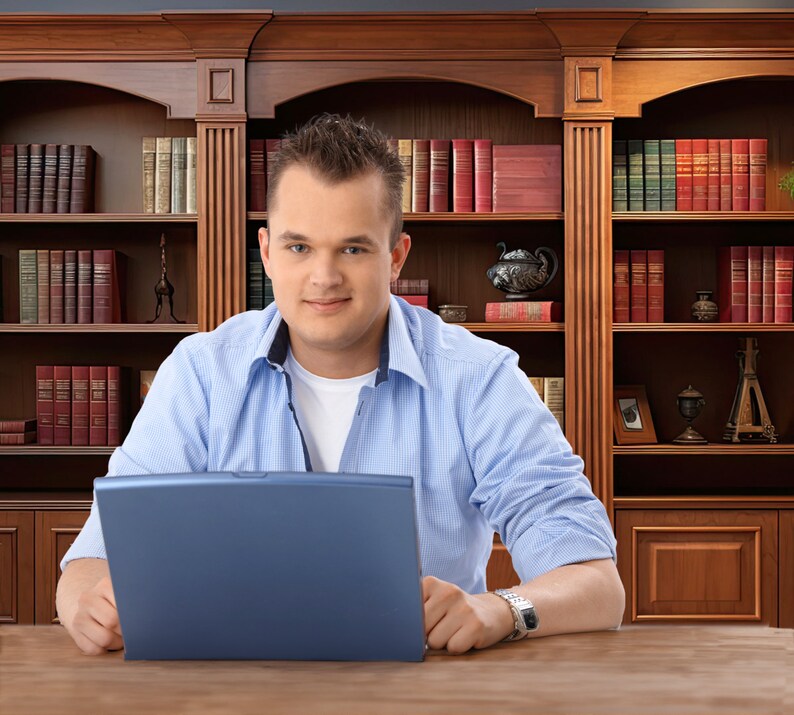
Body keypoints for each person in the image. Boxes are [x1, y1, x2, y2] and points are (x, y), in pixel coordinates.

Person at [56, 114, 624, 657]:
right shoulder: (200, 373)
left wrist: (501, 610)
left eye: (353, 248)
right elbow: (91, 561)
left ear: (396, 257)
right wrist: (87, 599)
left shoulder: (480, 377)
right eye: (299, 247)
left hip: (425, 694)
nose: (323, 277)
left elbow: (598, 587)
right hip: (228, 693)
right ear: (267, 253)